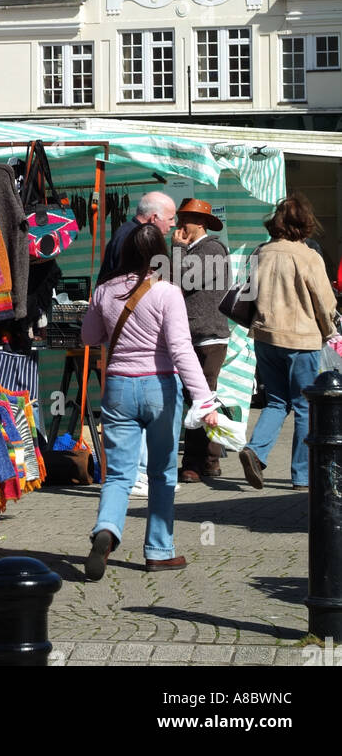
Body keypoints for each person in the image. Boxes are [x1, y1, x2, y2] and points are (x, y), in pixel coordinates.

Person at [81, 224, 218, 579]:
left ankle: (107, 529)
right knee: (161, 474)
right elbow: (180, 350)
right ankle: (159, 550)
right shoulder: (167, 292)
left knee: (119, 475)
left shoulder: (104, 291)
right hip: (160, 387)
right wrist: (204, 399)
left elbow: (89, 336)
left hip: (118, 388)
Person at [240, 193, 337, 491]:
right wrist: (330, 328)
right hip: (301, 339)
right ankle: (302, 475)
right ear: (305, 224)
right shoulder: (308, 256)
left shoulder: (261, 252)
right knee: (305, 406)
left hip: (266, 337)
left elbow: (250, 293)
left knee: (276, 401)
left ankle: (256, 450)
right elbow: (324, 302)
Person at [95, 190, 178, 496]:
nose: (171, 226)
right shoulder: (131, 239)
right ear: (154, 218)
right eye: (169, 219)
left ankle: (124, 492)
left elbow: (91, 333)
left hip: (122, 370)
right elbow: (180, 346)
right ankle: (140, 475)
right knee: (150, 440)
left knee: (129, 438)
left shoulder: (124, 235)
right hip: (147, 370)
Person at [172, 198, 231, 482]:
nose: (181, 224)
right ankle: (210, 460)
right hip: (192, 336)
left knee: (200, 400)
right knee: (202, 399)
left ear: (202, 223)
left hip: (208, 337)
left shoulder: (213, 249)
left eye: (188, 219)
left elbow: (183, 280)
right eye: (181, 218)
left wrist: (178, 249)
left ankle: (195, 464)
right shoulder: (193, 249)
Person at [95, 191, 178, 288]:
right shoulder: (134, 238)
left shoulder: (129, 231)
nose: (173, 224)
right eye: (170, 219)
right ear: (154, 218)